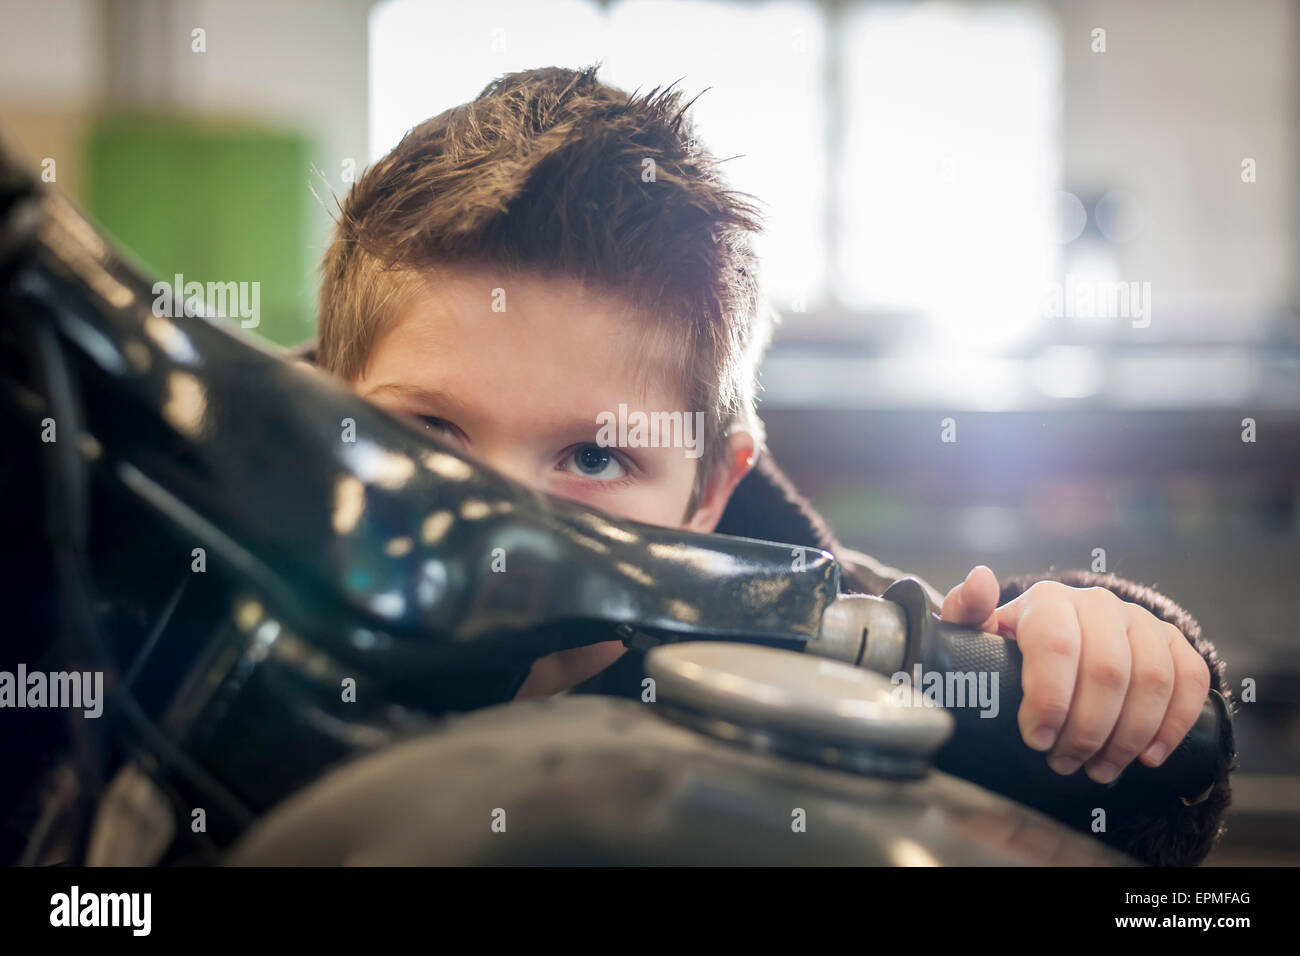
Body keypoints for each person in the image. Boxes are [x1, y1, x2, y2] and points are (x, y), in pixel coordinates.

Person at [295, 64, 1234, 865]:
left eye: (591, 454)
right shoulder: (203, 574)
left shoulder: (804, 665)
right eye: (427, 435)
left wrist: (1108, 666)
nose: (492, 527)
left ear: (710, 489)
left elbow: (1115, 807)